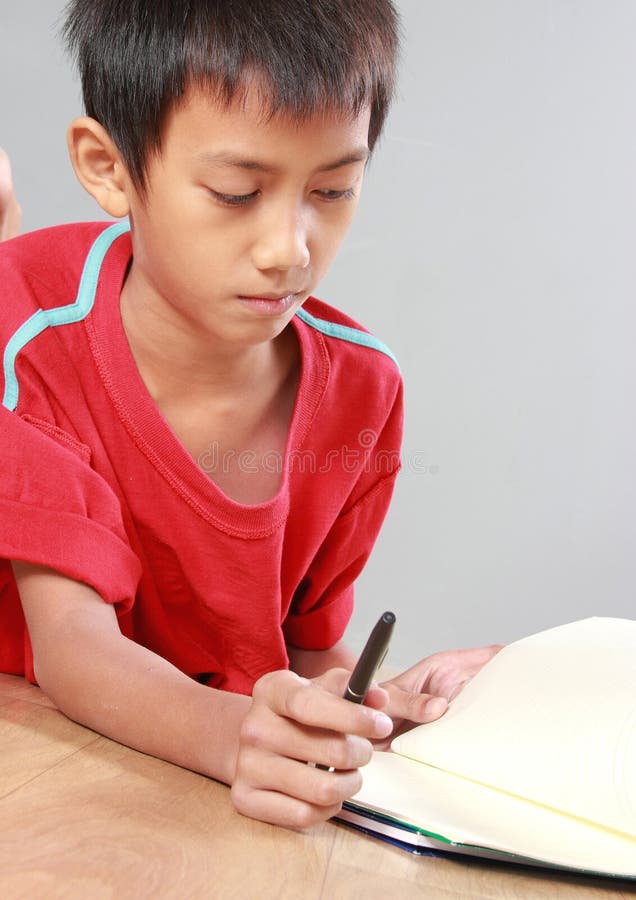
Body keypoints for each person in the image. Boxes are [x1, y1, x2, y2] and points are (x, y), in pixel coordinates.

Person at [0, 0, 500, 830]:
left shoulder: (363, 391)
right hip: (39, 772)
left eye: (334, 188)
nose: (290, 248)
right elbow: (73, 646)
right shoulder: (27, 331)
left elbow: (304, 648)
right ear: (109, 166)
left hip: (206, 803)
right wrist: (240, 739)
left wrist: (370, 714)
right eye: (237, 193)